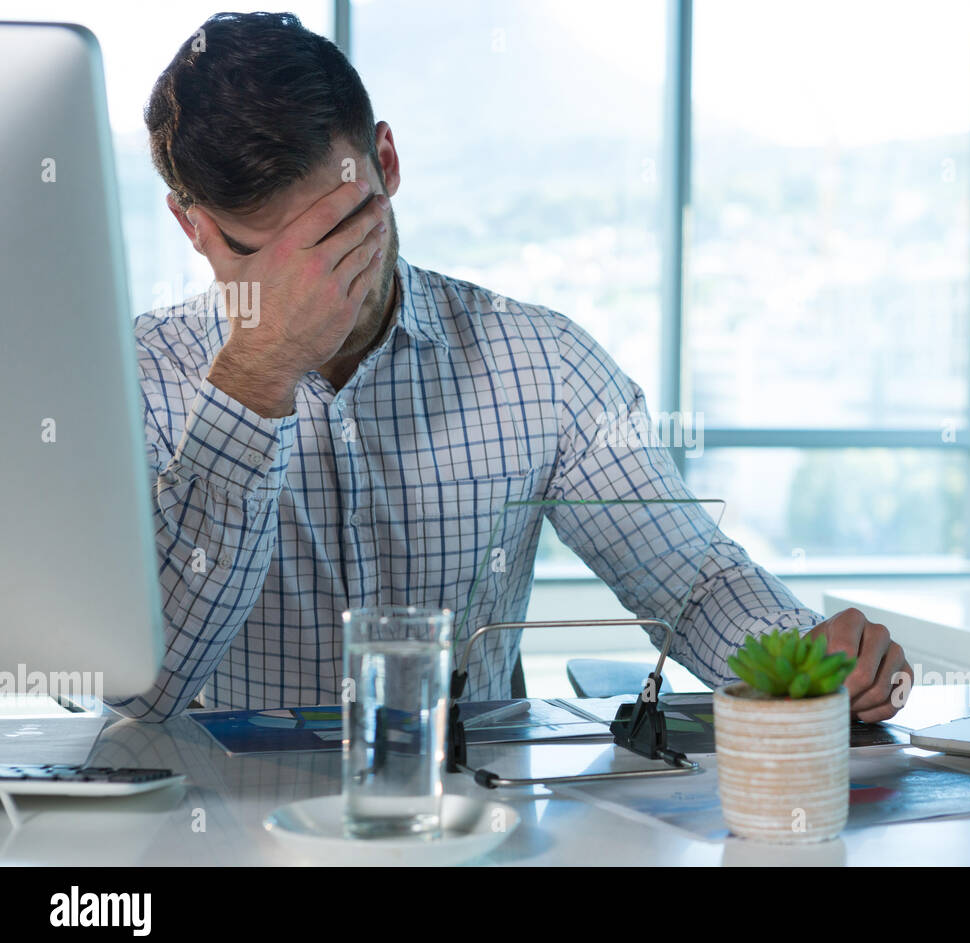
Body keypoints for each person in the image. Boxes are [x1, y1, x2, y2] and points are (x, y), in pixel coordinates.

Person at [112, 11, 912, 722]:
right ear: (194, 229)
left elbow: (691, 580)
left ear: (384, 162)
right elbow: (149, 690)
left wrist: (814, 669)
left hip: (475, 823)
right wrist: (258, 370)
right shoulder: (134, 379)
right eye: (266, 261)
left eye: (337, 236)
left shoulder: (542, 361)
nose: (317, 291)